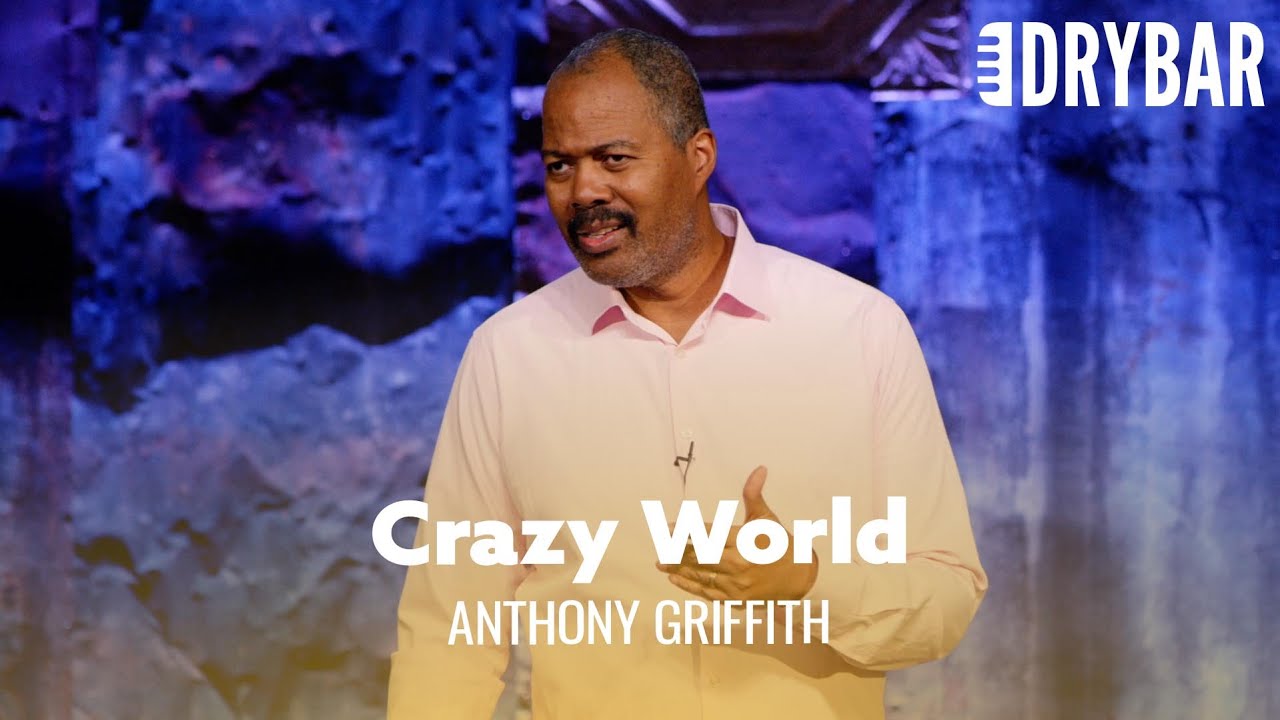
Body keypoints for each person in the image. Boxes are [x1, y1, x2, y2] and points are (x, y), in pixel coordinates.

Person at [388, 28, 987, 720]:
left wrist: (808, 581)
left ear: (698, 156)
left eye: (613, 159)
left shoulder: (858, 330)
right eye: (559, 165)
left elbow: (946, 598)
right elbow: (448, 634)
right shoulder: (508, 354)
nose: (583, 191)